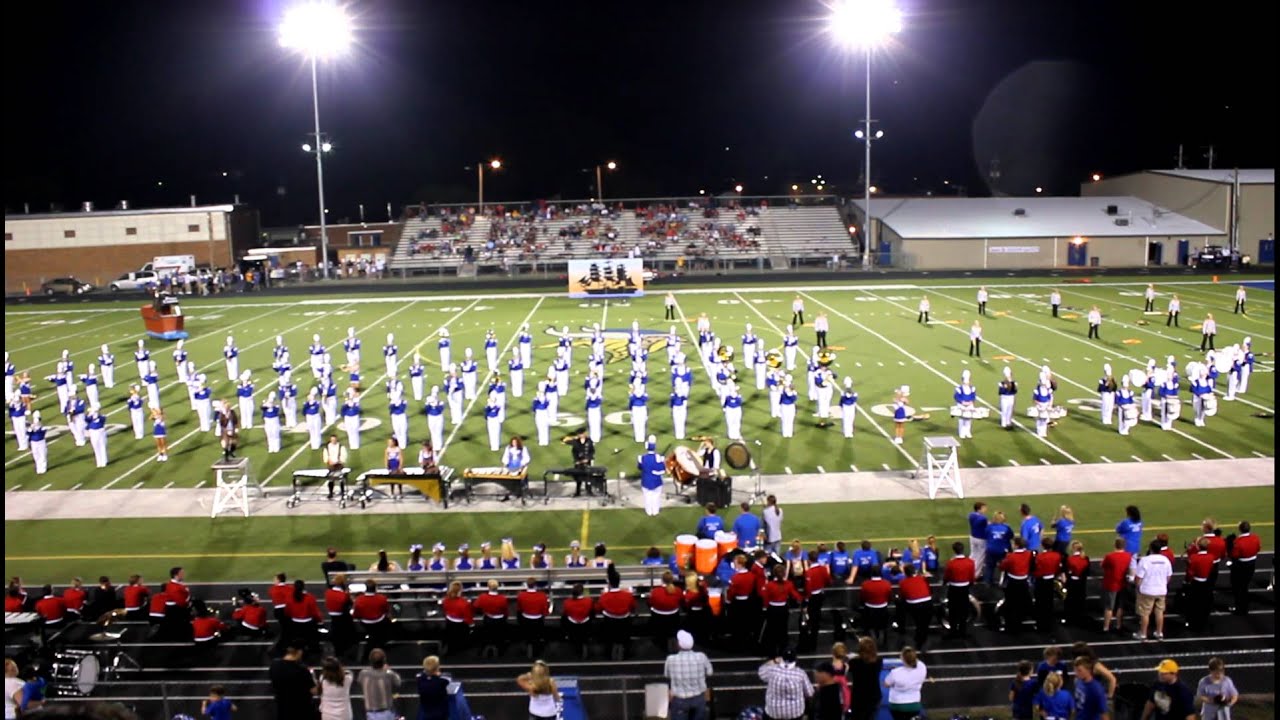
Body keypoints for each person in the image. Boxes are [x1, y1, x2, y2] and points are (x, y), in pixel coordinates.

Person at [665, 630, 713, 720]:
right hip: (698, 698)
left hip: (680, 700)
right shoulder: (701, 657)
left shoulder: (670, 659)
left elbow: (667, 675)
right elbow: (710, 672)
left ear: (679, 645)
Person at [1134, 540, 1173, 641]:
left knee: (1145, 613)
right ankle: (1159, 633)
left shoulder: (1145, 560)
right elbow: (1169, 576)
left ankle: (1143, 634)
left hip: (1147, 590)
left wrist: (1138, 587)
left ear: (1150, 548)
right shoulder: (1165, 560)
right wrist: (1163, 585)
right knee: (1159, 612)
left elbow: (1138, 577)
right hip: (1161, 590)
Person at [759, 649, 813, 720]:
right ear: (795, 660)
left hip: (773, 713)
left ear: (781, 658)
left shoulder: (771, 670)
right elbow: (809, 693)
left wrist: (774, 661)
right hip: (795, 714)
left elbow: (761, 671)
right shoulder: (801, 674)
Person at [270, 642, 317, 720]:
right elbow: (314, 691)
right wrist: (313, 675)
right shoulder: (302, 670)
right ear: (299, 652)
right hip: (301, 710)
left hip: (282, 709)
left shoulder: (274, 665)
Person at [884, 647, 927, 720]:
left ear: (902, 658)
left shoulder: (895, 672)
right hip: (914, 705)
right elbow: (914, 661)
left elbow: (886, 684)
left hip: (897, 706)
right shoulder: (922, 667)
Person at [357, 649, 401, 720]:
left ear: (370, 661)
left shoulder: (363, 673)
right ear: (384, 661)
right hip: (386, 713)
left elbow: (359, 681)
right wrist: (388, 669)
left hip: (370, 714)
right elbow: (398, 682)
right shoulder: (388, 674)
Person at [1229, 520, 1260, 615]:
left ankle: (1240, 607)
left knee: (1238, 587)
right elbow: (1258, 548)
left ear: (1240, 529)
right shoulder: (1255, 538)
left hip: (1241, 566)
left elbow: (1234, 555)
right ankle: (1244, 606)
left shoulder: (1238, 541)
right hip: (1252, 565)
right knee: (1244, 586)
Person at [1074, 656, 1110, 720]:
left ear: (1089, 670)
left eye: (1079, 671)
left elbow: (1104, 714)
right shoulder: (1078, 681)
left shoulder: (1097, 690)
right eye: (1075, 670)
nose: (1076, 673)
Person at [638, 436, 665, 517]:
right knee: (656, 497)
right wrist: (662, 461)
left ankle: (649, 511)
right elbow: (662, 469)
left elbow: (640, 467)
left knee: (647, 497)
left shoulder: (641, 458)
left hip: (645, 481)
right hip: (657, 481)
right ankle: (655, 511)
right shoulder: (658, 457)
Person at [416, 656, 450, 720]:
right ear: (437, 668)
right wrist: (437, 675)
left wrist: (429, 673)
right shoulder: (442, 680)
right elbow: (448, 677)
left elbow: (420, 674)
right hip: (441, 713)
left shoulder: (419, 678)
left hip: (426, 712)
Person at [570, 429, 596, 496]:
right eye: (579, 434)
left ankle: (589, 491)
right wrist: (576, 460)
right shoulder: (576, 442)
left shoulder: (589, 441)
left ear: (584, 434)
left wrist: (588, 458)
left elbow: (592, 451)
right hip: (579, 462)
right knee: (578, 477)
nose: (580, 435)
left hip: (587, 462)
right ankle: (578, 492)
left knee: (588, 477)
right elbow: (574, 452)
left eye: (581, 434)